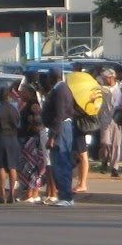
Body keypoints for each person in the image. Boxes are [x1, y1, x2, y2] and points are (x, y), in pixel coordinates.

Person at [41, 69, 76, 207]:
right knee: (58, 163)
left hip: (60, 128)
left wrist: (52, 136)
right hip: (60, 128)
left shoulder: (60, 90)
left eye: (49, 77)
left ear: (53, 77)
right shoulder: (60, 88)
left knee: (62, 162)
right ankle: (63, 195)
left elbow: (59, 114)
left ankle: (67, 196)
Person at [0, 85, 21, 204]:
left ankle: (2, 194)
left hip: (0, 138)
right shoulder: (15, 108)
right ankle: (12, 194)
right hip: (13, 138)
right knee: (12, 166)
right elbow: (19, 124)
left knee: (1, 166)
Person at [16, 83, 47, 203]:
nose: (21, 94)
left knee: (30, 166)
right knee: (32, 166)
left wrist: (32, 125)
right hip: (28, 137)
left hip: (30, 139)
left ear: (30, 93)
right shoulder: (28, 104)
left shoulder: (33, 105)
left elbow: (39, 119)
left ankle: (30, 193)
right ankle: (33, 192)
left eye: (24, 92)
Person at [96, 68, 122, 178]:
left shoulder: (121, 88)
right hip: (105, 118)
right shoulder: (102, 89)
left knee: (116, 144)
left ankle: (115, 167)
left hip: (117, 119)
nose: (104, 80)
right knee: (105, 142)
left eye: (105, 78)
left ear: (111, 78)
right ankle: (104, 160)